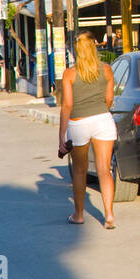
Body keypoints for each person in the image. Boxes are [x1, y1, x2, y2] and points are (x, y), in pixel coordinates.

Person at [57, 32, 118, 229]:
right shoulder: (107, 70)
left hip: (78, 122)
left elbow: (67, 105)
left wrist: (61, 136)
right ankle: (109, 215)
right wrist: (100, 112)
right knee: (104, 170)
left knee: (80, 171)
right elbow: (109, 99)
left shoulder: (70, 74)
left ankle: (79, 214)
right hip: (103, 120)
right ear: (94, 48)